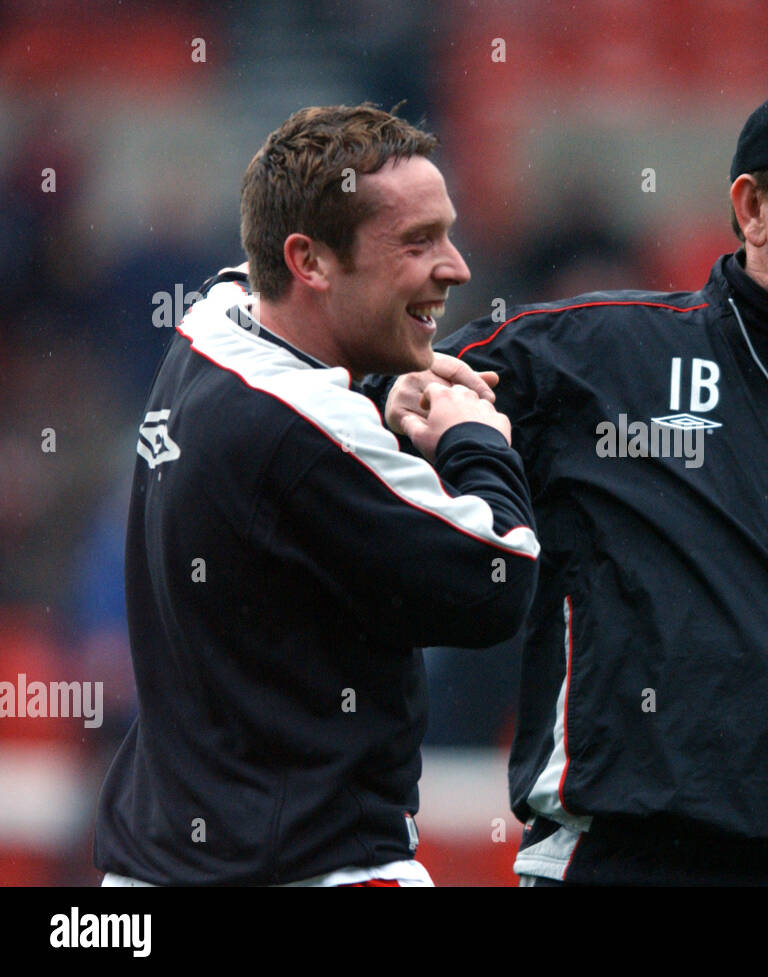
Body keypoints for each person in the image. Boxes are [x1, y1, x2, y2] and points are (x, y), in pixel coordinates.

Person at [380, 80, 768, 885]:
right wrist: (388, 393)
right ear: (751, 208)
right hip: (616, 862)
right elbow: (384, 402)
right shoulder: (590, 358)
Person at [93, 105, 540, 886]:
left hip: (151, 873)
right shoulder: (301, 430)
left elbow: (304, 415)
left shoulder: (213, 318)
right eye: (418, 241)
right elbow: (498, 574)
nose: (457, 267)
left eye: (449, 231)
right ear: (310, 260)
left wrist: (373, 394)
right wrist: (477, 437)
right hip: (307, 866)